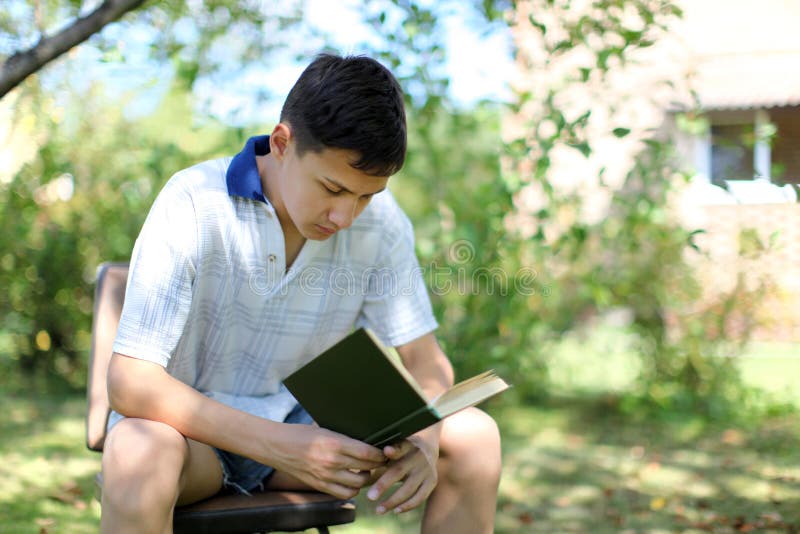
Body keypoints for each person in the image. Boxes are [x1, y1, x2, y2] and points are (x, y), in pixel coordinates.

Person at [100, 53, 501, 534]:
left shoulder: (382, 222)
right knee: (136, 452)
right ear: (282, 143)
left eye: (366, 195)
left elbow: (427, 362)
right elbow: (129, 381)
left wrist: (429, 440)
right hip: (191, 441)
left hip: (310, 440)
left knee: (474, 437)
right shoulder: (193, 201)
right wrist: (278, 443)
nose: (345, 216)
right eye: (332, 188)